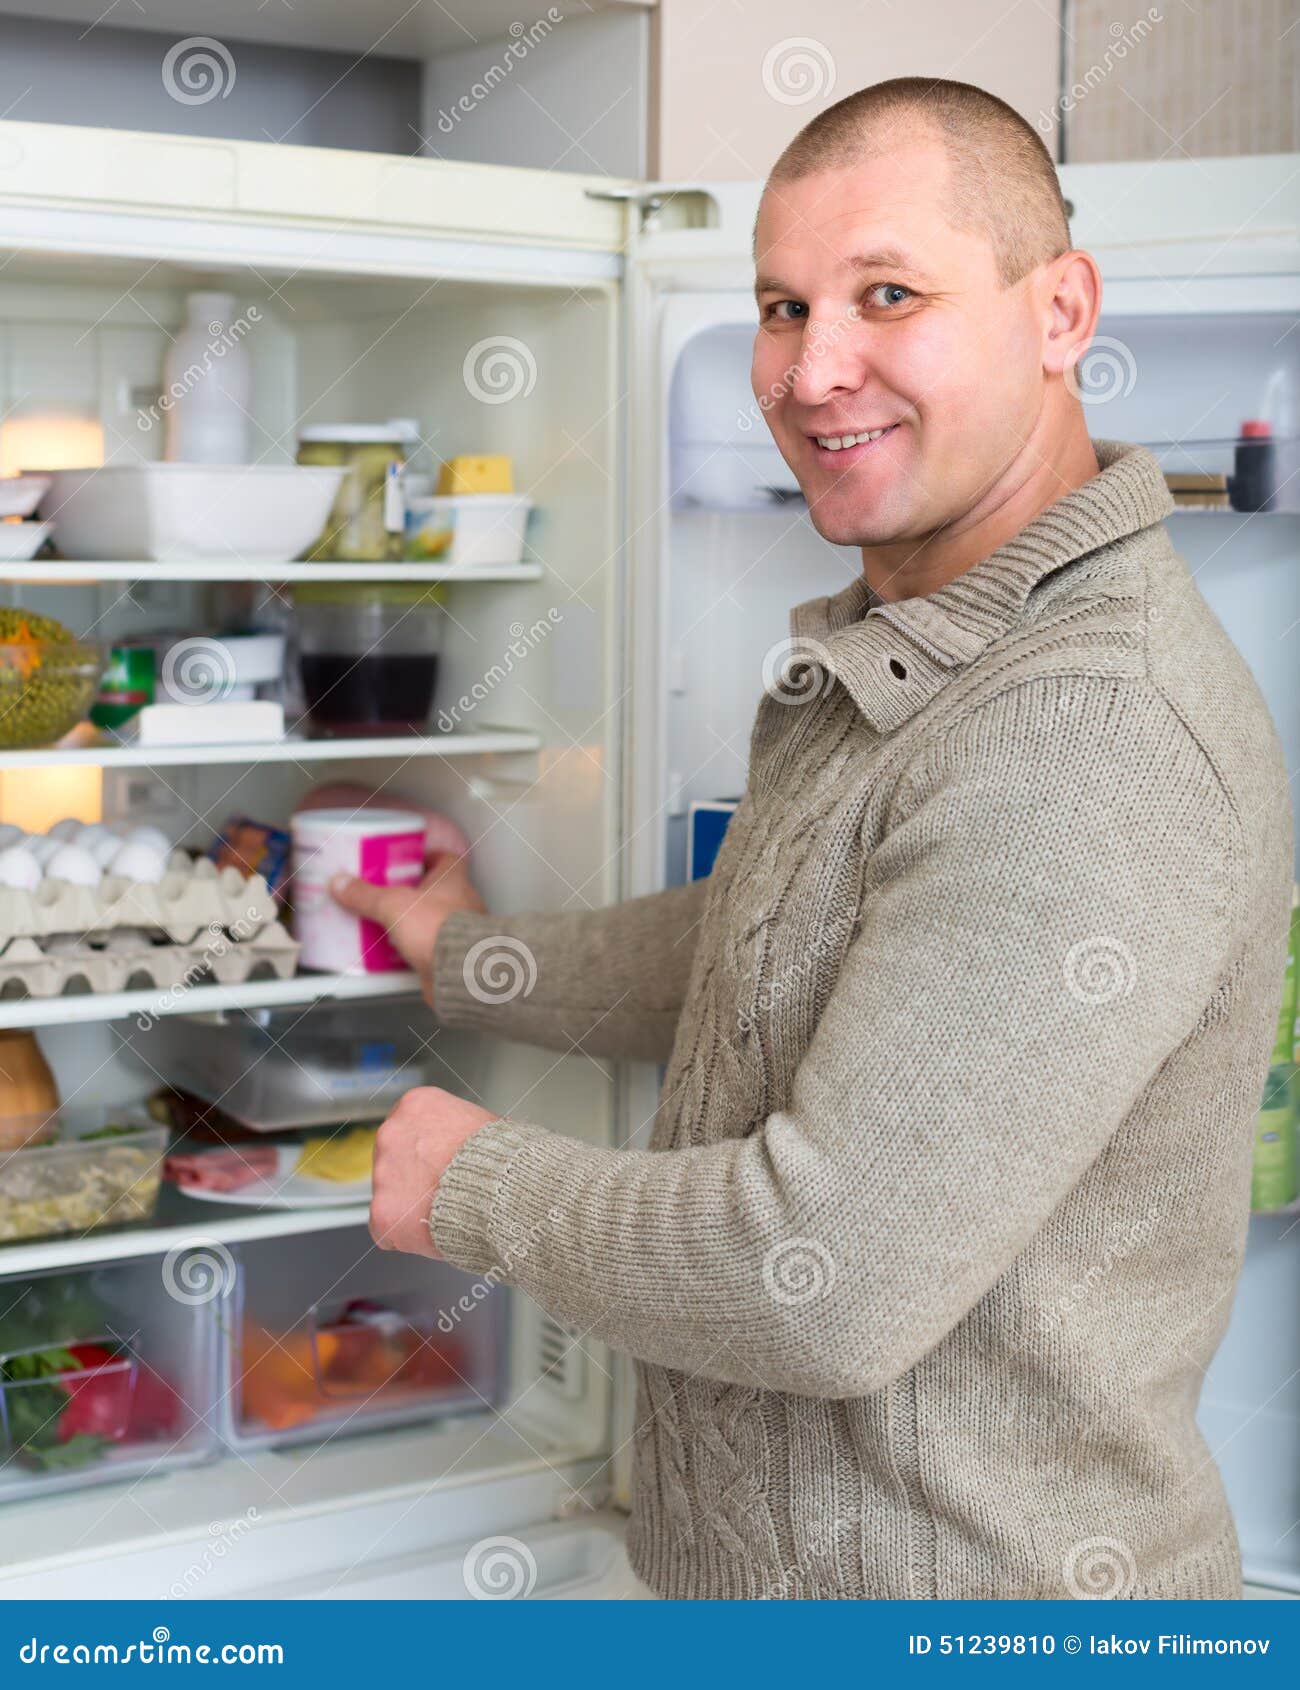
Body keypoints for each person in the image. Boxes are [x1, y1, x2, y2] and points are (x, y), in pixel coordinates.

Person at [329, 77, 1293, 1600]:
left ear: (1062, 312)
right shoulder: (921, 641)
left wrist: (474, 1182)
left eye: (887, 294)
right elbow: (766, 937)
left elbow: (827, 1275)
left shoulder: (1086, 731)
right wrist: (465, 953)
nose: (811, 368)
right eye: (781, 306)